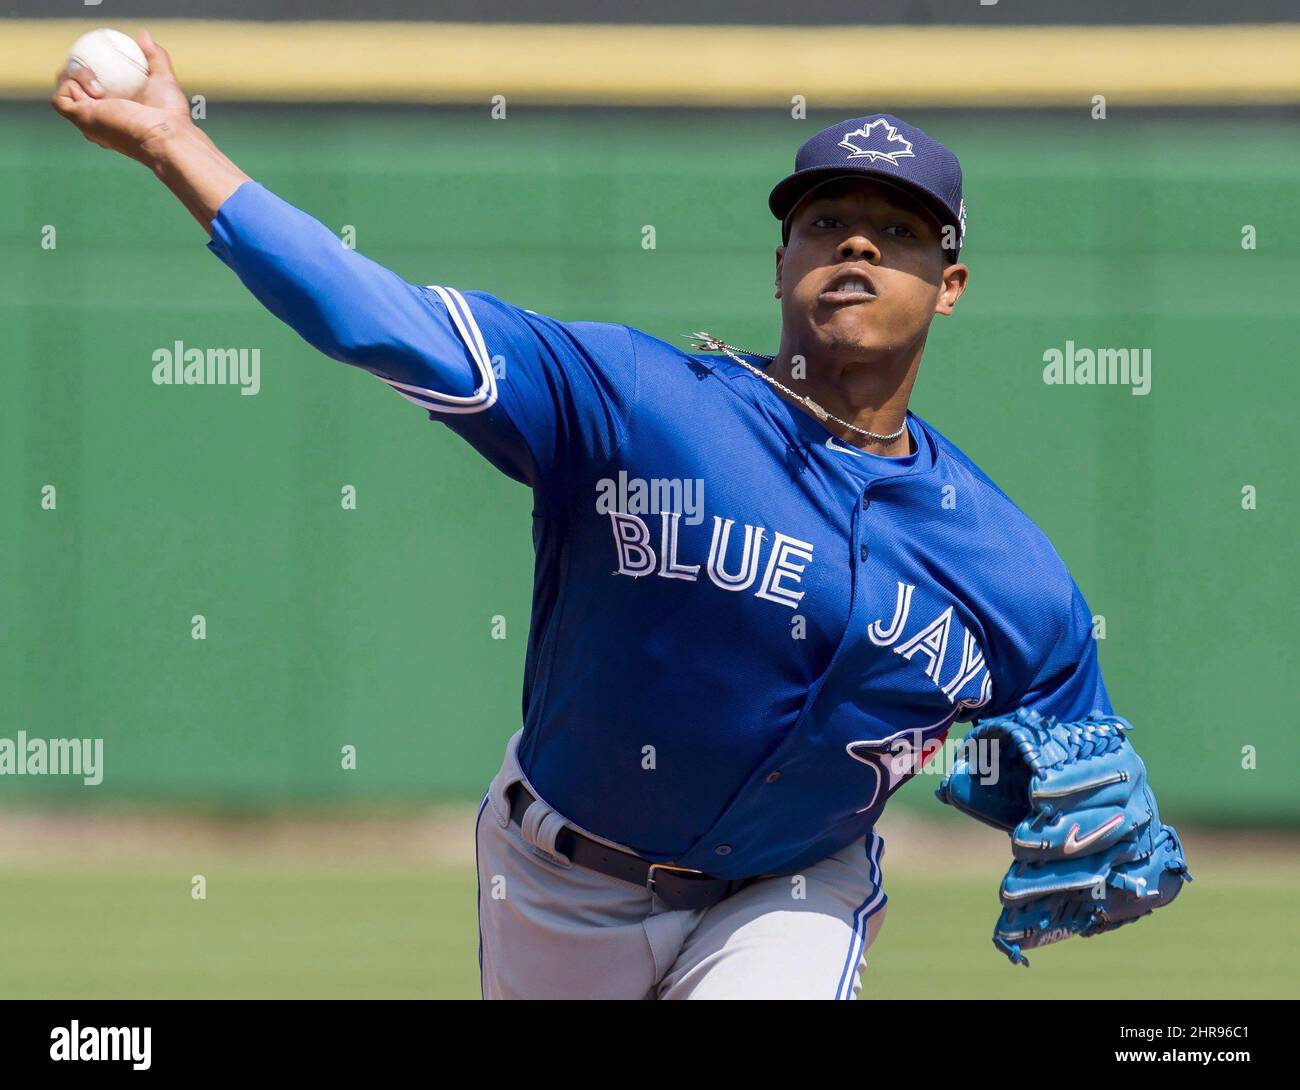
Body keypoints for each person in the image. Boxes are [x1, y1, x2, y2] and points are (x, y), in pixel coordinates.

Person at [53, 33, 1186, 1000]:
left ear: (949, 283)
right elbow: (376, 319)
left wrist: (1031, 787)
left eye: (898, 232)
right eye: (827, 219)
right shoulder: (638, 402)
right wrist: (175, 146)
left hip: (794, 888)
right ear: (780, 261)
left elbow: (1061, 752)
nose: (856, 242)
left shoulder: (1011, 573)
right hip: (556, 878)